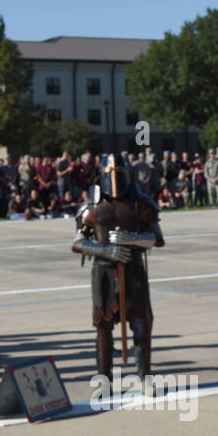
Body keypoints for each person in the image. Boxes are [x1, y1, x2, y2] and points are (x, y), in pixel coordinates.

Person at [71, 153, 164, 378]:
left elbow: (157, 238)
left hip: (134, 269)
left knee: (142, 324)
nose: (113, 178)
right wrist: (106, 250)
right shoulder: (91, 206)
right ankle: (104, 380)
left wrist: (131, 239)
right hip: (103, 270)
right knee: (103, 328)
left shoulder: (140, 203)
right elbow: (77, 243)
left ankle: (144, 377)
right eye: (109, 174)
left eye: (118, 173)